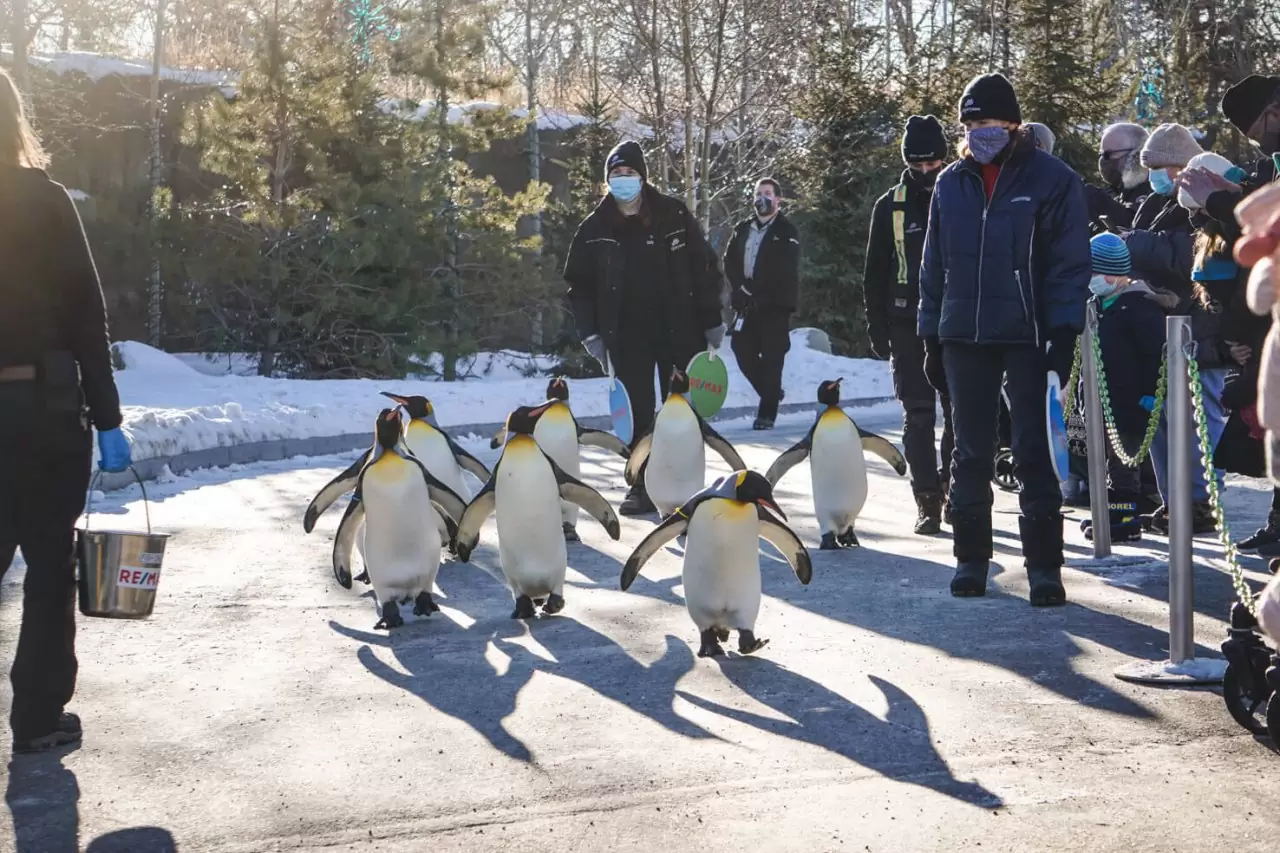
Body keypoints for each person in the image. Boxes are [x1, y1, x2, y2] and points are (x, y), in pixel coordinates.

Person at [919, 72, 1091, 605]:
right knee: (968, 450)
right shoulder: (950, 183)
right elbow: (934, 264)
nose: (979, 133)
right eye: (970, 124)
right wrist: (931, 333)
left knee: (1032, 448)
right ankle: (972, 557)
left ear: (1014, 126)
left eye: (988, 123)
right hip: (965, 337)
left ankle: (1044, 565)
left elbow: (1068, 264)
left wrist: (1062, 332)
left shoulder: (1053, 180)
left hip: (1028, 335)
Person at [0, 67, 132, 754]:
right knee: (51, 565)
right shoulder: (46, 201)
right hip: (45, 411)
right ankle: (39, 718)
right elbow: (88, 314)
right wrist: (107, 420)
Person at [564, 139, 726, 515]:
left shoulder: (673, 215)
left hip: (678, 327)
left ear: (643, 177)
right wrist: (590, 333)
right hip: (626, 333)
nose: (623, 180)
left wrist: (712, 319)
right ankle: (640, 485)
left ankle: (684, 483)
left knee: (681, 409)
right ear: (608, 180)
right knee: (636, 412)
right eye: (616, 174)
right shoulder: (594, 228)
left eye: (630, 173)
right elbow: (579, 287)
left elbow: (704, 267)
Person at [863, 114, 954, 534]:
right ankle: (927, 500)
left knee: (960, 415)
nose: (925, 173)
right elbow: (874, 272)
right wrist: (877, 328)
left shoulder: (960, 193)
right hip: (906, 323)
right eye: (917, 165)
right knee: (917, 415)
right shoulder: (891, 205)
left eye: (932, 164)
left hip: (955, 319)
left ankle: (956, 490)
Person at [1081, 234, 1166, 543]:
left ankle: (1125, 515)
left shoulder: (1138, 307)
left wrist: (1150, 393)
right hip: (1106, 399)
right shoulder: (1099, 305)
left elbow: (1154, 354)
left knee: (1124, 463)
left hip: (1130, 400)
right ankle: (1112, 512)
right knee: (1110, 461)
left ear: (1111, 274)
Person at [724, 177, 801, 430]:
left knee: (772, 357)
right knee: (740, 348)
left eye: (767, 193)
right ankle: (771, 392)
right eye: (758, 194)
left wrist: (756, 289)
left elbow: (784, 270)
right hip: (746, 304)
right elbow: (729, 260)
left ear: (778, 199)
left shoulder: (787, 231)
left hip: (775, 305)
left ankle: (767, 413)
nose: (762, 198)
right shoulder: (742, 228)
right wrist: (739, 287)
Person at [1086, 122, 1151, 234]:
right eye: (1101, 154)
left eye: (1109, 154)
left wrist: (1091, 197)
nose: (1103, 160)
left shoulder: (1154, 191)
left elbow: (1130, 225)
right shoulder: (1118, 192)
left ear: (1137, 154)